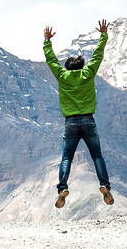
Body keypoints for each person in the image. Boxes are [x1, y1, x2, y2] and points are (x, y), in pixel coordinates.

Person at [43, 20, 113, 208]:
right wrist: (103, 35)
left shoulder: (62, 76)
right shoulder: (87, 73)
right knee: (97, 155)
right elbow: (98, 56)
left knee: (67, 157)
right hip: (89, 121)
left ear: (67, 67)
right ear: (81, 66)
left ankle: (62, 189)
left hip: (70, 123)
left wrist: (47, 41)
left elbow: (50, 60)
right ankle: (105, 186)